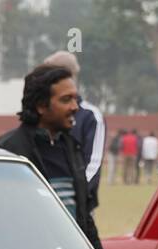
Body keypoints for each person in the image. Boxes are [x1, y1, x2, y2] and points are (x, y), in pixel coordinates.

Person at [0, 64, 105, 249]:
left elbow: (83, 217)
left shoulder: (71, 147)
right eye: (66, 99)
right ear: (41, 106)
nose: (75, 107)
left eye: (75, 98)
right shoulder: (8, 152)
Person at [42, 51, 104, 212]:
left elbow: (93, 163)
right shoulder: (43, 111)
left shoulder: (90, 115)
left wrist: (77, 196)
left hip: (77, 206)